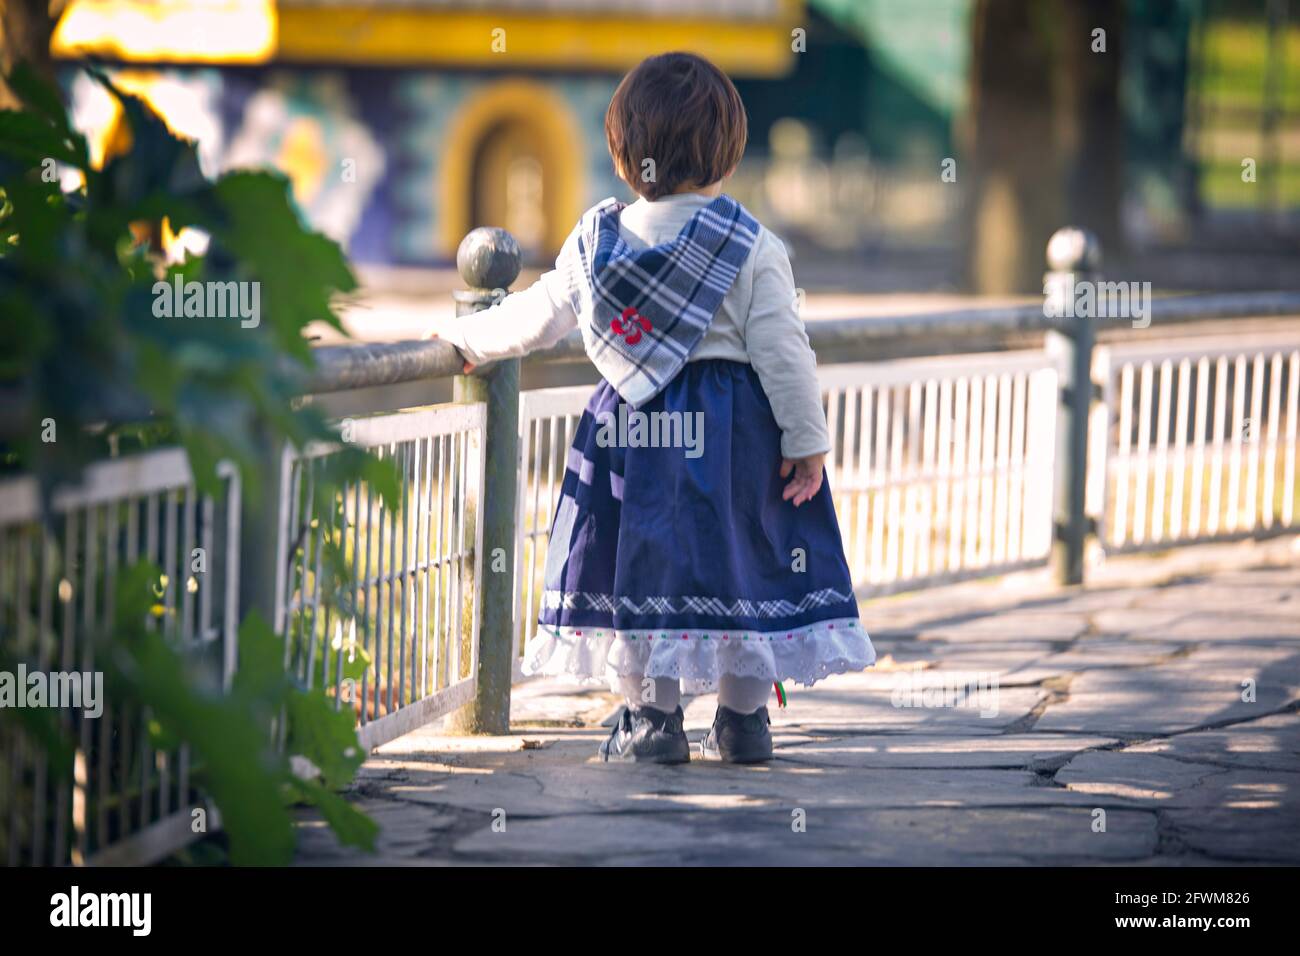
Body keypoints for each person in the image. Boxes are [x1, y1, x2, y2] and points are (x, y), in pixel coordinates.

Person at [427, 52, 874, 764]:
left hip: (631, 436)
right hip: (736, 440)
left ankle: (652, 720)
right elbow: (785, 350)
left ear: (624, 153)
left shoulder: (595, 241)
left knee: (636, 570)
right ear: (727, 153)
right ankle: (743, 722)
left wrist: (462, 337)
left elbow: (536, 319)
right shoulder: (751, 243)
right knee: (744, 566)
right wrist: (806, 438)